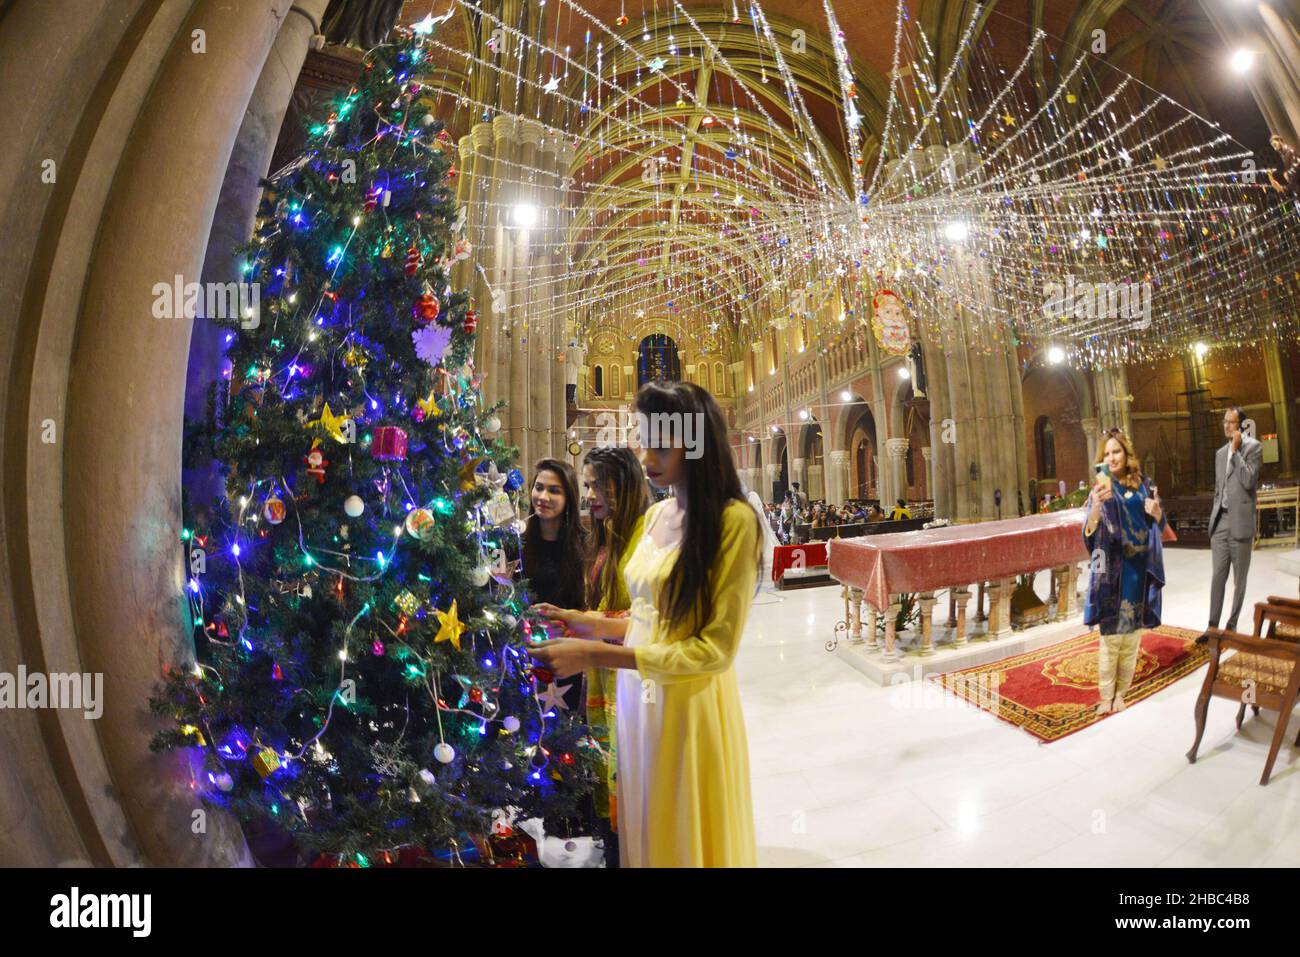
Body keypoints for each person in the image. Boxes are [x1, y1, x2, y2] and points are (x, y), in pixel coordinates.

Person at [531, 381, 763, 867]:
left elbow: (712, 651)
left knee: (681, 830)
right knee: (643, 827)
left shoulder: (732, 521)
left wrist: (595, 654)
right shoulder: (657, 515)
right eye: (644, 439)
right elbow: (645, 619)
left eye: (660, 442)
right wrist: (585, 623)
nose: (646, 454)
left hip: (688, 703)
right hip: (639, 698)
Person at [535, 446, 649, 865]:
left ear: (627, 484)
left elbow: (650, 620)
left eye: (599, 484)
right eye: (587, 485)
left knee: (632, 784)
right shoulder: (607, 537)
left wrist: (585, 622)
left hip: (630, 679)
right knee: (608, 777)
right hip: (602, 678)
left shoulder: (644, 538)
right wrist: (574, 620)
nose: (592, 494)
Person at [1083, 429, 1166, 714]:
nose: (1112, 457)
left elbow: (1158, 520)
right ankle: (1106, 695)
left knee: (1131, 637)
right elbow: (1089, 533)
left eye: (1116, 451)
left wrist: (1156, 512)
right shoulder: (1100, 489)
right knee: (1110, 637)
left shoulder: (1144, 484)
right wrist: (1096, 507)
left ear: (1127, 454)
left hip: (1137, 568)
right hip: (1110, 571)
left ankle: (1121, 693)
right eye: (1107, 453)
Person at [521, 459, 587, 711]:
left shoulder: (586, 546)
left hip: (567, 655)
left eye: (554, 490)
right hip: (523, 654)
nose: (543, 496)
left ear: (569, 497)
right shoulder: (514, 544)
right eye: (539, 487)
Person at [1208, 405, 1261, 632]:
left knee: (1239, 580)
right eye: (1225, 421)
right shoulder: (1220, 454)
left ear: (1241, 425)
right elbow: (1220, 489)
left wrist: (1237, 451)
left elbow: (1248, 481)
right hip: (1220, 523)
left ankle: (1231, 626)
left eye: (1231, 421)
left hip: (1240, 523)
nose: (1226, 425)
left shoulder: (1254, 448)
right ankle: (1212, 627)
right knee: (1218, 576)